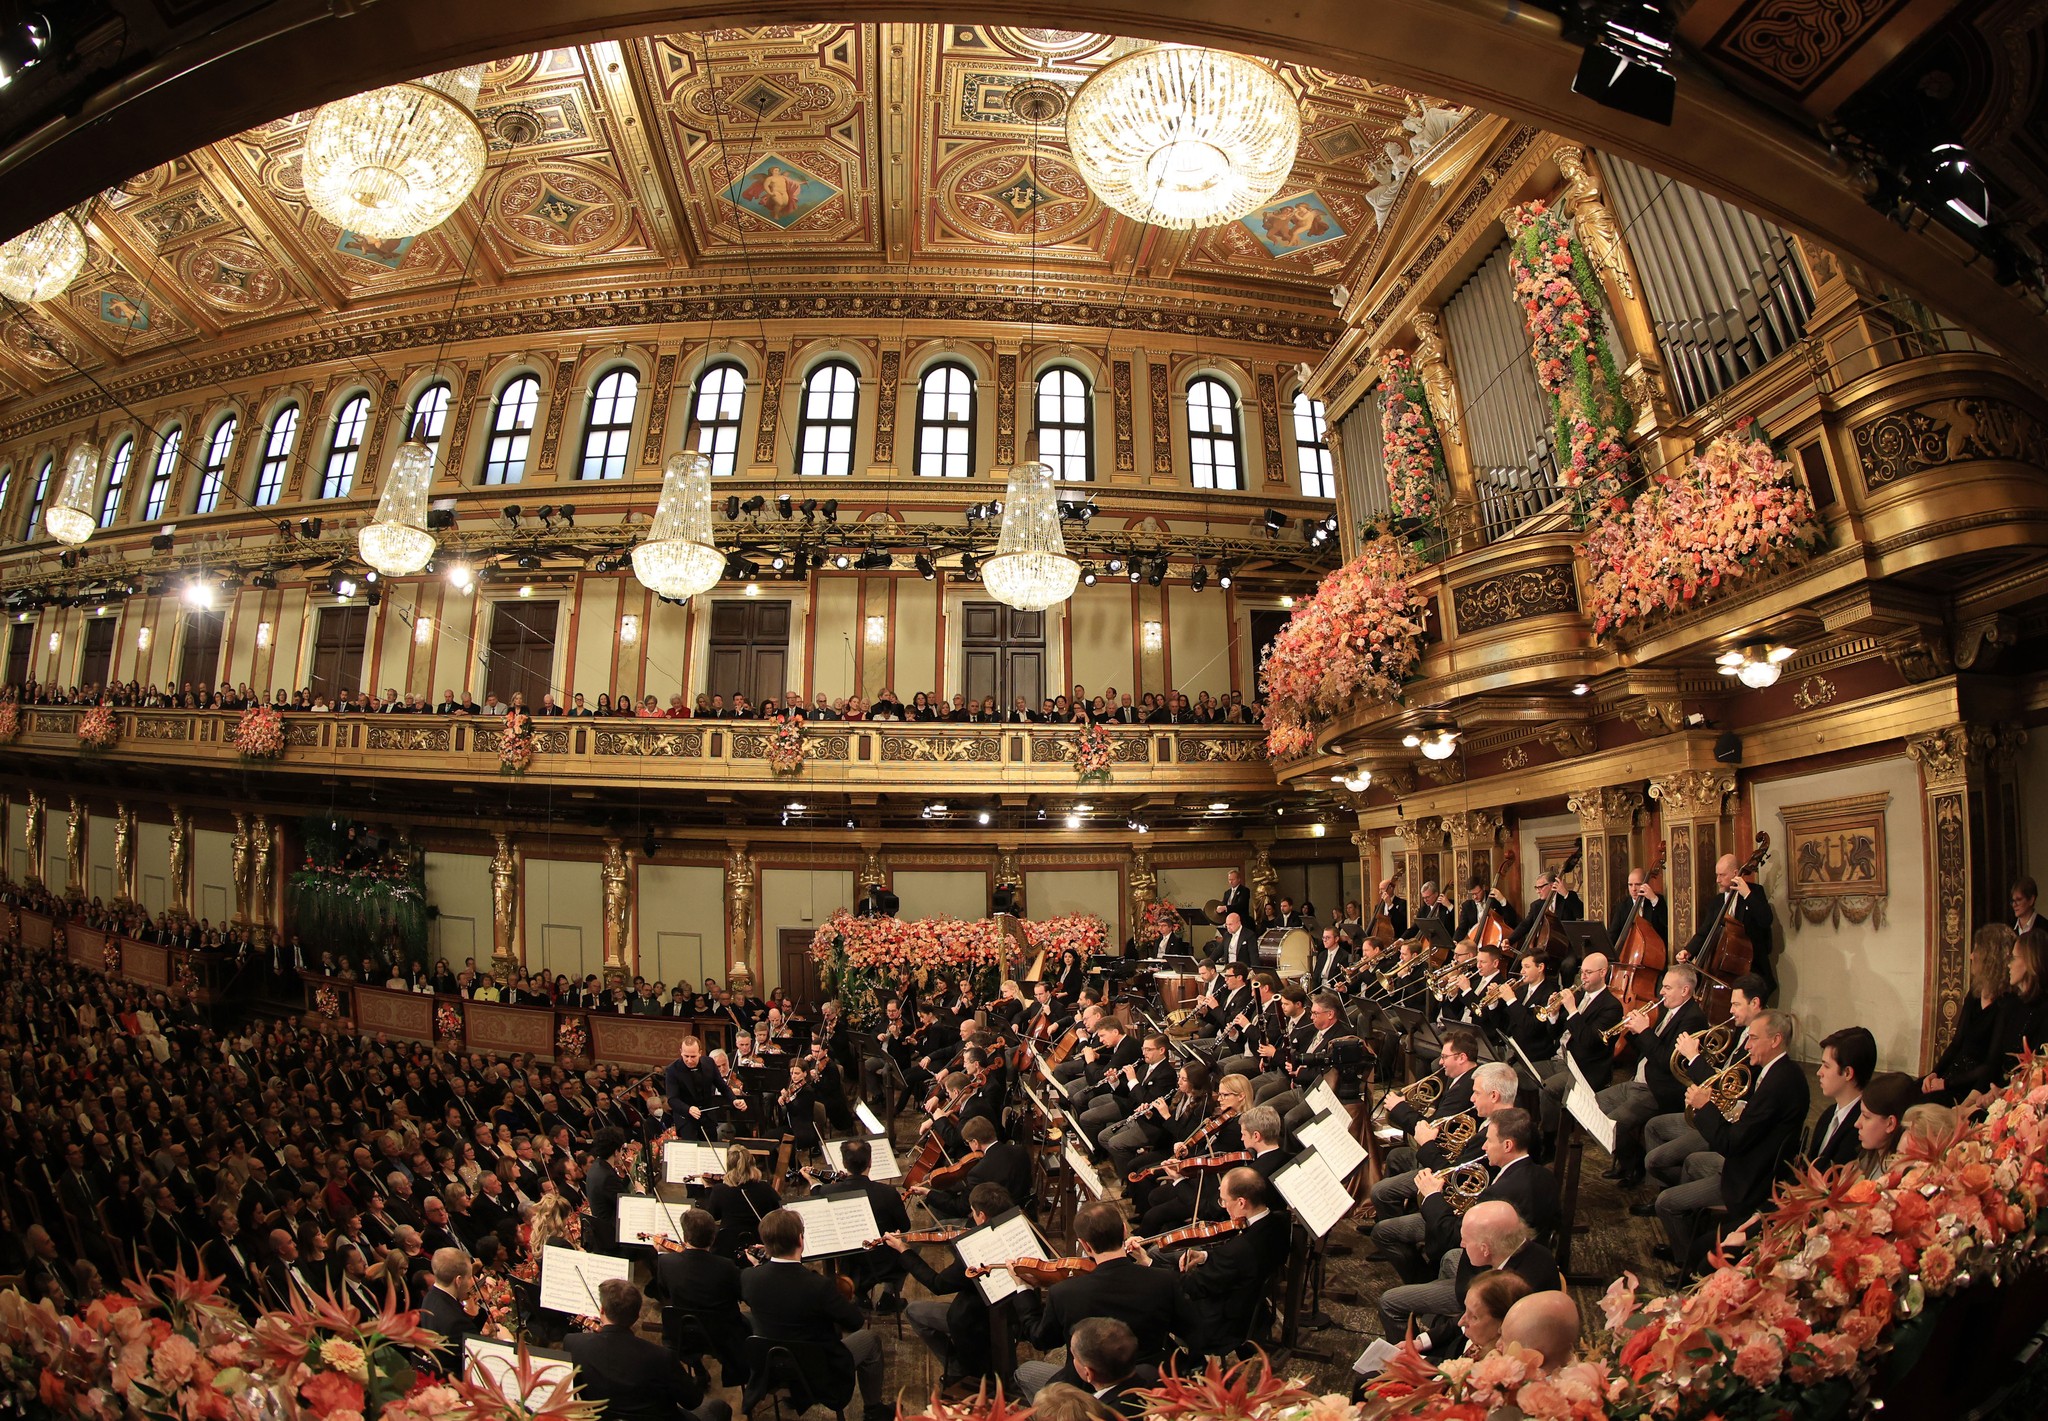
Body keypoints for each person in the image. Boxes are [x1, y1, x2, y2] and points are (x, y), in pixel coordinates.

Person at [1654, 1008, 1808, 1281]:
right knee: (1692, 1162)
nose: (1746, 1046)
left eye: (1753, 1038)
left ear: (1775, 1040)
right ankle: (1690, 1243)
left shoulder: (1780, 1081)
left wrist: (1704, 1107)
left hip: (1752, 1180)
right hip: (1747, 1163)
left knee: (1666, 1202)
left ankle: (1688, 1265)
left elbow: (1731, 1143)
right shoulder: (1777, 1073)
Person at [1016, 1201, 1193, 1397]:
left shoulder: (1064, 1293)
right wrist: (1147, 1263)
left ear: (1085, 1245)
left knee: (1024, 1372)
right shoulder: (1163, 1280)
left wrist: (1023, 1289)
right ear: (1124, 1231)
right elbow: (1190, 1328)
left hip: (1089, 1389)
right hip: (1151, 1381)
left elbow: (1041, 1339)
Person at [740, 1207, 892, 1421]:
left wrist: (759, 1267)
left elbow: (775, 1292)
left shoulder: (749, 1278)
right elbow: (855, 1322)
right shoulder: (818, 1286)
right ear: (800, 1240)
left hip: (771, 1367)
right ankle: (873, 1409)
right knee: (871, 1339)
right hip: (819, 1370)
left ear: (765, 1244)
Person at [886, 1181, 1012, 1387]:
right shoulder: (1024, 1228)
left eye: (972, 1212)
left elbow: (938, 1284)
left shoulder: (976, 1253)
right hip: (1014, 1314)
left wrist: (904, 1251)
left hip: (977, 1320)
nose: (971, 1216)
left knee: (914, 1311)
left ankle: (956, 1367)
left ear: (982, 1216)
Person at [1594, 964, 1708, 1188]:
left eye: (1666, 987)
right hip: (1639, 1080)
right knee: (1596, 1105)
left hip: (1658, 1089)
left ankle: (1635, 1166)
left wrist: (1645, 1031)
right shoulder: (1668, 1009)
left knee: (1615, 1124)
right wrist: (1634, 1032)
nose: (1661, 992)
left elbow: (1667, 1062)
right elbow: (1648, 1050)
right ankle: (1630, 1160)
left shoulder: (1692, 1019)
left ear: (1684, 990)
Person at [1162, 1167, 1290, 1358]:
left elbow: (1192, 1287)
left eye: (1224, 1200)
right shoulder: (1281, 1221)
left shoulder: (1238, 1250)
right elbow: (1237, 1262)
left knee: (1159, 1306)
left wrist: (1148, 1264)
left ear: (1241, 1202)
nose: (1222, 1205)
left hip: (1226, 1323)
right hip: (1255, 1307)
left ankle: (1191, 1366)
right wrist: (1204, 1255)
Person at [566, 1278, 732, 1421]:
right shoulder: (662, 1357)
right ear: (637, 1316)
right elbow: (692, 1401)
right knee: (719, 1408)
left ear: (602, 1310)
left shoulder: (574, 1344)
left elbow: (573, 1392)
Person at [1535, 952, 1625, 1154]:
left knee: (1547, 1089)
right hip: (1560, 1058)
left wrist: (1573, 1010)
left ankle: (1550, 1144)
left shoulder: (1612, 1006)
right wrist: (1554, 1014)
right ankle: (1526, 1133)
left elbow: (1589, 1042)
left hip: (1584, 1068)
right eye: (1581, 972)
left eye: (1588, 972)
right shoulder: (1578, 996)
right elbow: (1555, 1033)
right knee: (1519, 1073)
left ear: (1603, 973)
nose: (1582, 977)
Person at [651, 1207, 749, 1384]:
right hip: (723, 1332)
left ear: (685, 1237)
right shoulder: (726, 1266)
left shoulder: (666, 1262)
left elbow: (664, 1293)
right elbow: (740, 1295)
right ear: (713, 1237)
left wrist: (660, 1252)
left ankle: (699, 1370)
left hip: (685, 1331)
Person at [1922, 925, 2017, 1104]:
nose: (1971, 956)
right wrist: (1934, 1072)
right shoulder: (1974, 995)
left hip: (1971, 1084)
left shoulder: (2007, 1004)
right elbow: (1957, 1043)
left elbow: (1991, 1064)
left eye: (1976, 950)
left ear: (1990, 958)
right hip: (1951, 1075)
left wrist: (1947, 1083)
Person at [1682, 852, 1777, 1001]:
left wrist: (1747, 895)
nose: (1717, 880)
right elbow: (1705, 932)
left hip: (1751, 970)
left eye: (1722, 875)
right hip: (1722, 971)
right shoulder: (1717, 902)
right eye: (1717, 875)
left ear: (1735, 873)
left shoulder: (1754, 892)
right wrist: (1688, 951)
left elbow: (1765, 920)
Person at [1803, 1026, 1874, 1171]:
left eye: (1826, 1066)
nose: (1819, 1072)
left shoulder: (1861, 1127)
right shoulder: (1828, 1114)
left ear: (1847, 1073)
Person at [1066, 1318, 1157, 1418]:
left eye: (1074, 1356)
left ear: (1088, 1373)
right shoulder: (1151, 1372)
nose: (1073, 1360)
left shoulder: (1095, 1415)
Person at [415, 1248, 481, 1373]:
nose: (471, 1283)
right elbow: (480, 1360)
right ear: (458, 1280)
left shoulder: (429, 1298)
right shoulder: (456, 1322)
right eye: (469, 1277)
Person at [1496, 1290, 1581, 1377]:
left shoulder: (1523, 1389)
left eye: (1504, 1340)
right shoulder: (1579, 1378)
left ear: (1532, 1359)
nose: (1497, 1345)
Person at [664, 1037, 732, 1141]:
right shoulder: (672, 1070)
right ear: (681, 1052)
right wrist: (688, 1109)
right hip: (686, 1120)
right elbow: (672, 1099)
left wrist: (734, 1099)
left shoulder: (709, 1063)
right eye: (686, 1056)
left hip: (707, 1117)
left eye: (693, 1056)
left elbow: (722, 1086)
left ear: (700, 1053)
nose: (689, 1060)